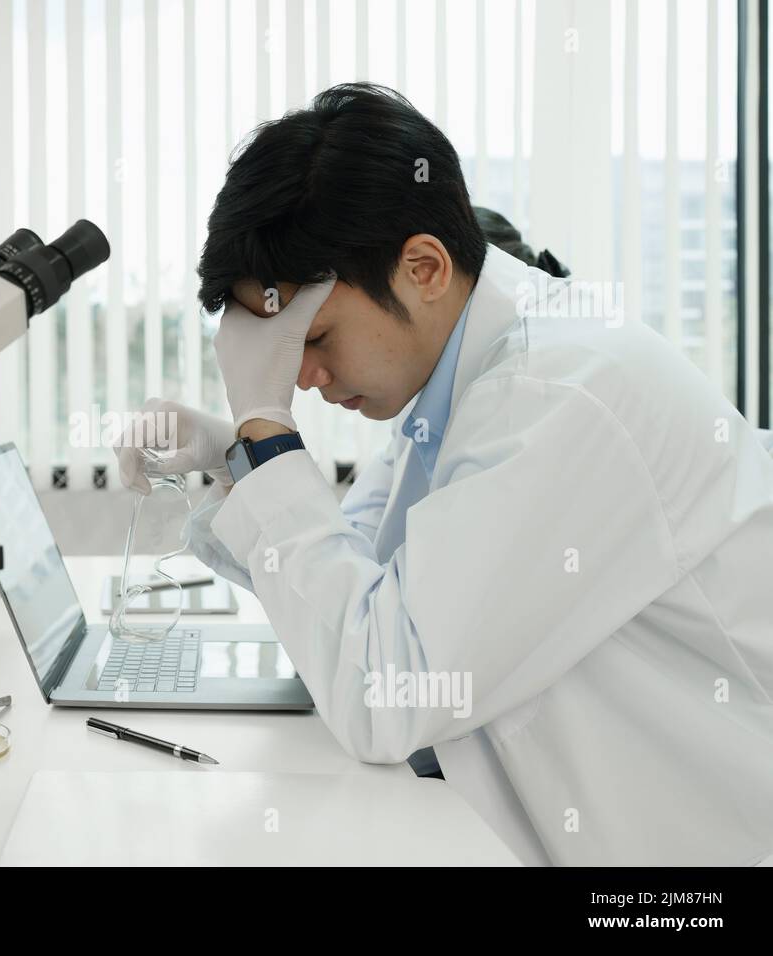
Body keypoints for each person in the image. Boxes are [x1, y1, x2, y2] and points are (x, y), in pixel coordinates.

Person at [114, 83, 773, 866]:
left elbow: (386, 692)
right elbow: (355, 590)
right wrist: (236, 455)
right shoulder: (461, 385)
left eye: (311, 338)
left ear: (423, 268)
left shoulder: (557, 393)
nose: (303, 378)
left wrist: (267, 429)